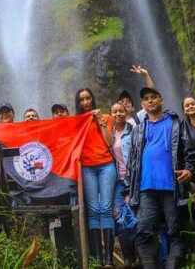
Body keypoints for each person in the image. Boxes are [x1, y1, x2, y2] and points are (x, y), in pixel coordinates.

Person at [127, 86, 195, 269]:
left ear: (161, 99)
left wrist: (190, 171)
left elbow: (190, 150)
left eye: (154, 97)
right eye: (146, 98)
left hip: (172, 187)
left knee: (175, 230)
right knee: (143, 231)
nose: (150, 100)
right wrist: (129, 189)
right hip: (145, 188)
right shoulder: (137, 130)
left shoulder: (176, 123)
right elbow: (132, 162)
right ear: (142, 104)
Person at [76, 88, 116, 267]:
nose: (85, 102)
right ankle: (97, 258)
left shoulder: (106, 117)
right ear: (78, 103)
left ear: (93, 99)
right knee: (93, 210)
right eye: (82, 99)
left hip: (106, 165)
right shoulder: (77, 123)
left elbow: (109, 142)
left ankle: (108, 258)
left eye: (88, 98)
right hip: (87, 168)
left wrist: (99, 120)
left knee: (106, 208)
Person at [110, 100, 137, 265]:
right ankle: (128, 257)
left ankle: (139, 254)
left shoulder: (134, 131)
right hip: (116, 181)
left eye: (121, 111)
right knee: (119, 216)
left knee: (135, 215)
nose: (118, 114)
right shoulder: (109, 133)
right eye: (115, 111)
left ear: (126, 112)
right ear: (111, 114)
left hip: (132, 179)